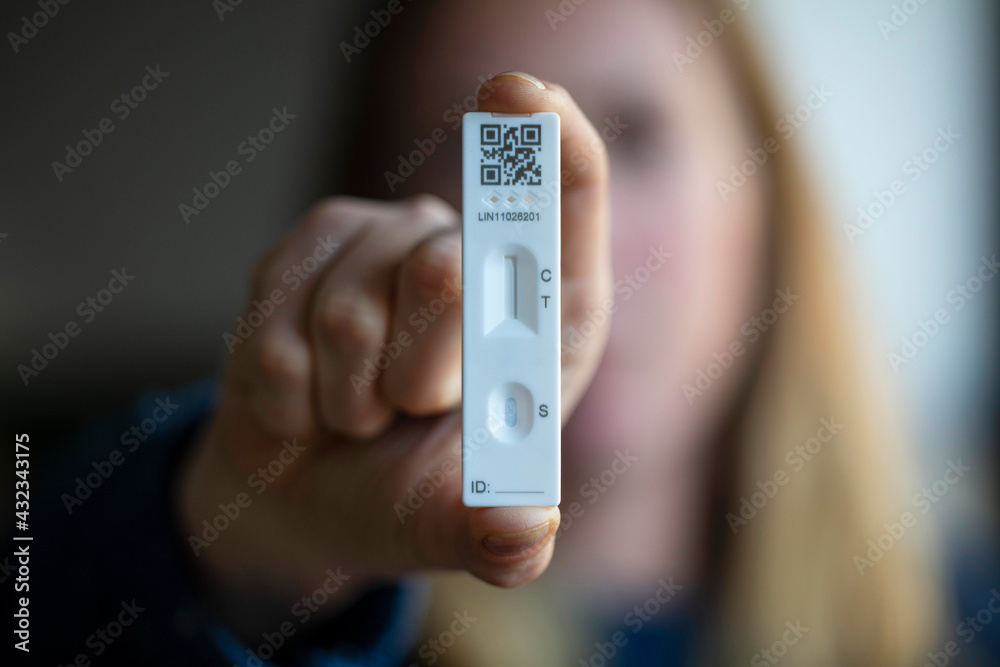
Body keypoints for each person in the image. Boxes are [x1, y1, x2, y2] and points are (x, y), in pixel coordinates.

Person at [16, 0, 988, 665]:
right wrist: (234, 556)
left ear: (766, 198)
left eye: (637, 133)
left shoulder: (965, 615)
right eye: (485, 159)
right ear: (377, 216)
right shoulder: (283, 588)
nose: (569, 239)